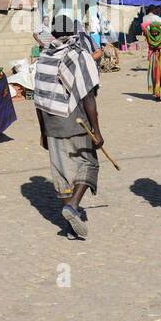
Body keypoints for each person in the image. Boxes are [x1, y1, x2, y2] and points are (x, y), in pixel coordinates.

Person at [33, 16, 103, 239]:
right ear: (74, 32)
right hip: (75, 121)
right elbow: (88, 96)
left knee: (62, 173)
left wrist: (42, 131)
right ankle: (73, 205)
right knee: (89, 163)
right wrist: (97, 131)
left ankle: (70, 227)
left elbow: (38, 97)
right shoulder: (78, 54)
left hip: (51, 123)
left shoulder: (44, 56)